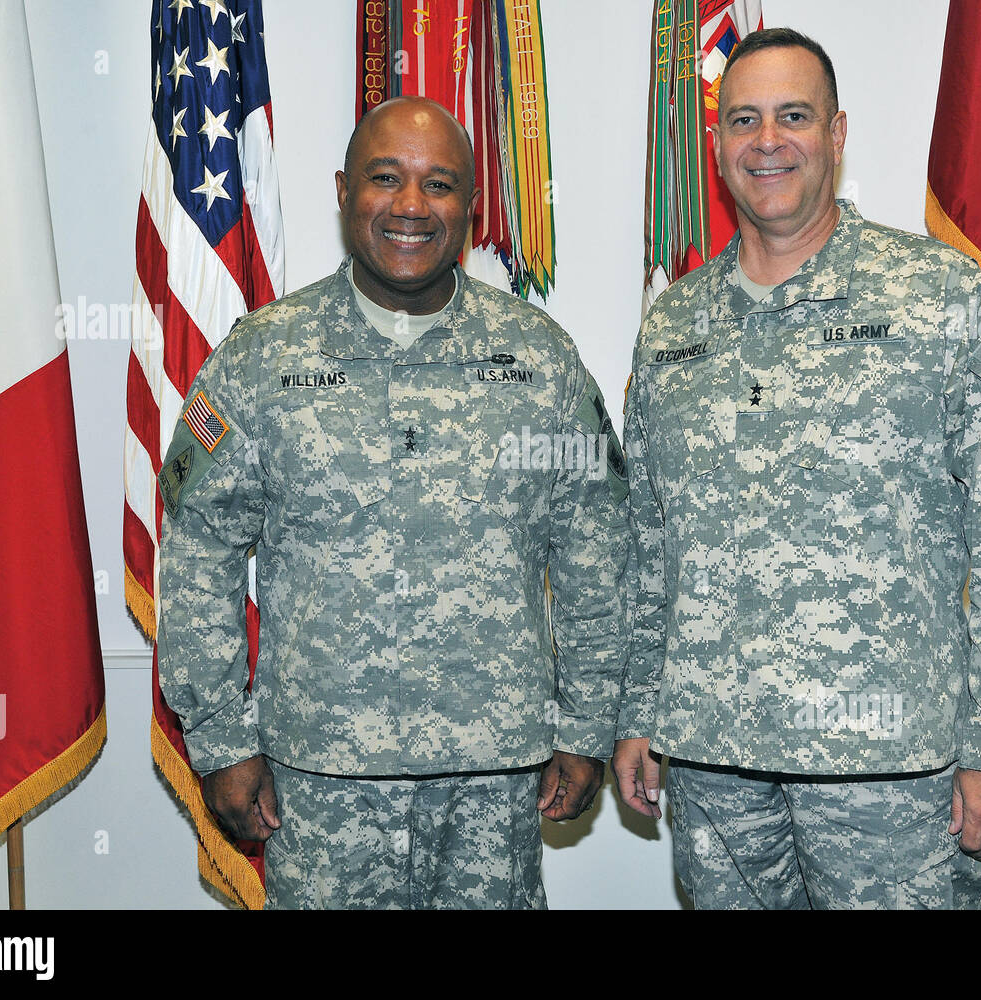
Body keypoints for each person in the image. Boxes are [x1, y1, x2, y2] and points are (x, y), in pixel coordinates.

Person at [612, 28, 981, 909]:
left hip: (892, 777)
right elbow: (649, 545)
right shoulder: (673, 328)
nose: (768, 140)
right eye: (743, 119)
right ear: (716, 144)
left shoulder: (936, 295)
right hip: (716, 768)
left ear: (837, 132)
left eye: (794, 116)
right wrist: (640, 711)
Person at [157, 96, 630, 909]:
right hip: (319, 782)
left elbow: (597, 550)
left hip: (492, 781)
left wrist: (586, 727)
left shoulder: (540, 361)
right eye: (386, 179)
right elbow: (197, 549)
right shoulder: (262, 357)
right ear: (343, 192)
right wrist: (221, 738)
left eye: (439, 185)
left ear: (471, 209)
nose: (411, 207)